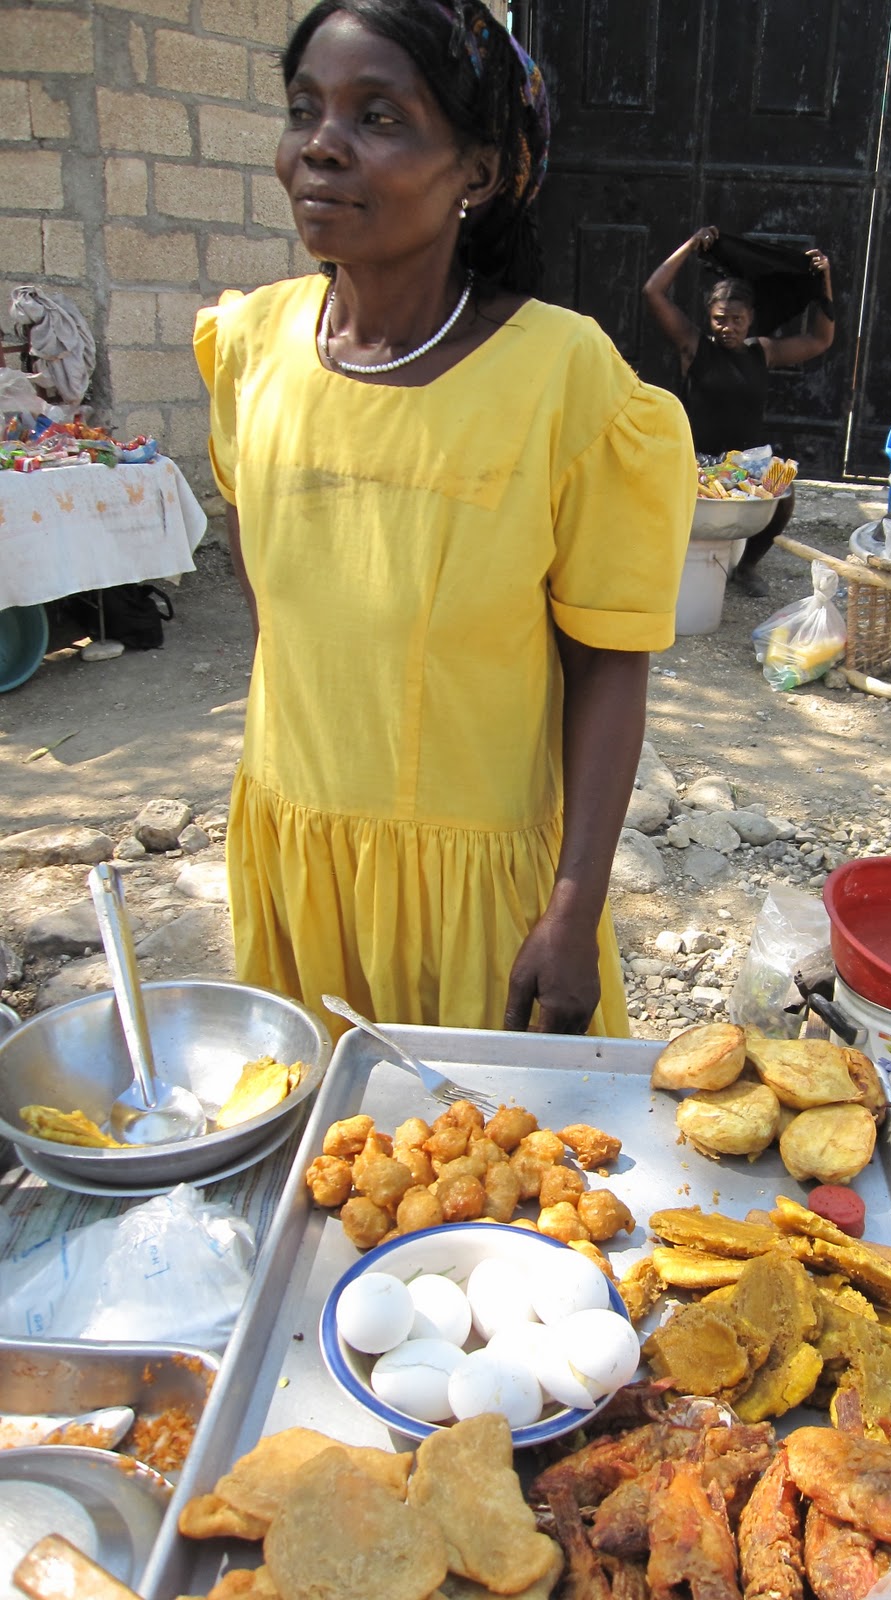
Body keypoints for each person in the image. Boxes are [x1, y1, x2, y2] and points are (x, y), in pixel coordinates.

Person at [193, 0, 694, 1040]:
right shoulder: (254, 345)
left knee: (493, 1175)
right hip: (301, 853)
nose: (321, 145)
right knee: (339, 1170)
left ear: (476, 168)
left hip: (482, 891)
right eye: (304, 110)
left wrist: (574, 903)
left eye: (378, 117)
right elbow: (259, 539)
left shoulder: (564, 380)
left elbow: (609, 661)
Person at [642, 224, 834, 598]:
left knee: (785, 489)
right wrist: (690, 245)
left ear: (750, 319)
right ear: (708, 318)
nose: (727, 327)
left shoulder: (762, 352)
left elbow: (820, 339)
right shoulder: (693, 346)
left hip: (743, 464)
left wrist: (823, 280)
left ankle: (746, 567)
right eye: (719, 319)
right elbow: (652, 291)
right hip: (696, 463)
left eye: (736, 320)